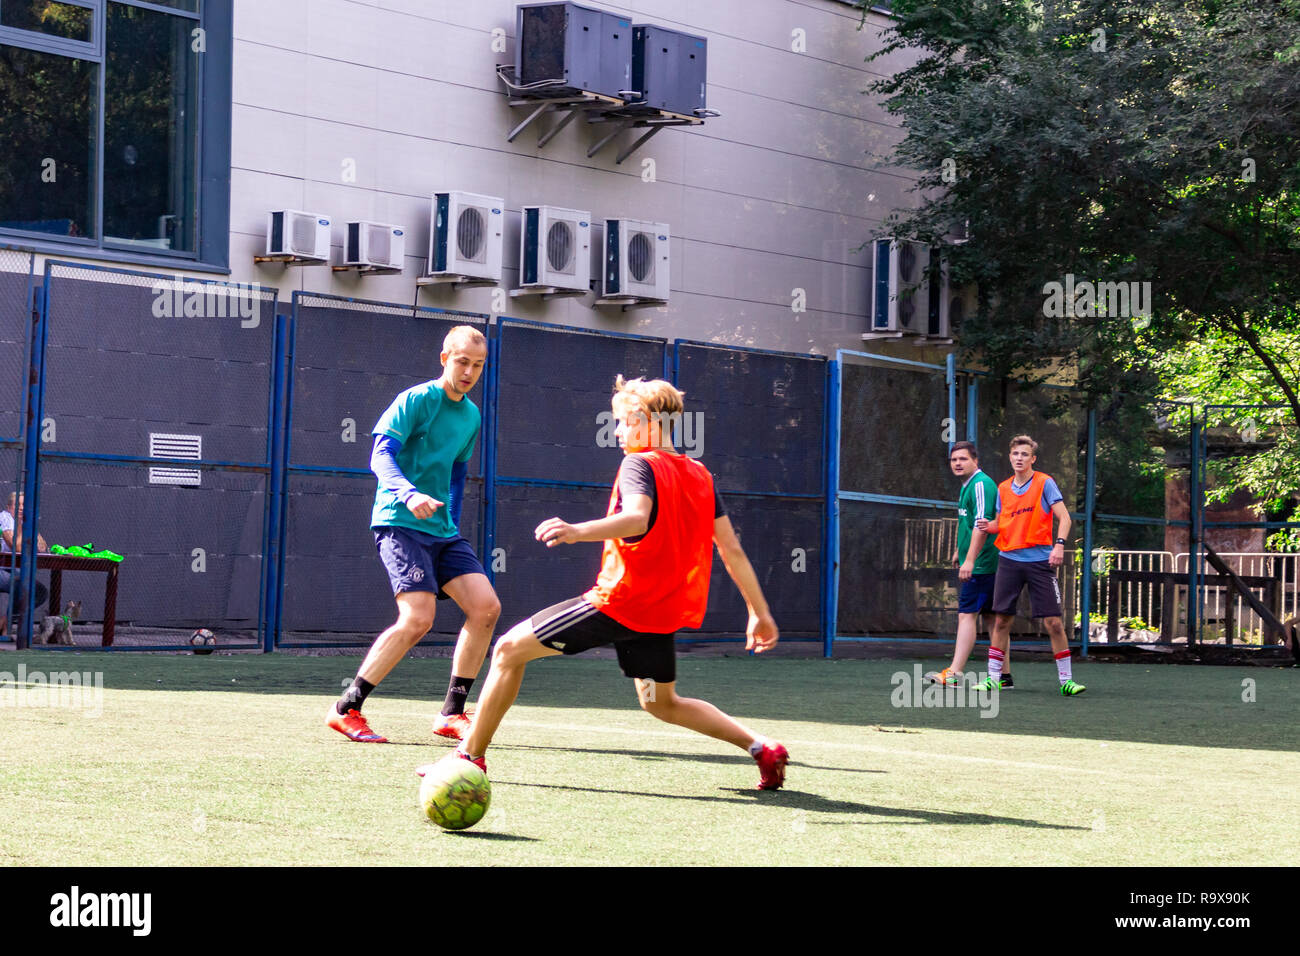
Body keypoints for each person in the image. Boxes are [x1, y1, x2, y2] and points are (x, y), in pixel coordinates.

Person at [421, 376, 790, 790]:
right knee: (661, 703)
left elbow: (636, 518)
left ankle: (469, 757)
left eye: (620, 422)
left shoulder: (640, 463)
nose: (616, 432)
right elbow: (732, 549)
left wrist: (577, 530)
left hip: (619, 603)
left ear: (644, 420)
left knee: (507, 650)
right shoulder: (701, 474)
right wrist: (760, 612)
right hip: (657, 613)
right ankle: (761, 748)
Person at [327, 326, 502, 743]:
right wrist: (407, 494)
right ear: (445, 359)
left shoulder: (471, 416)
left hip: (442, 531)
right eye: (462, 362)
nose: (469, 372)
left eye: (478, 366)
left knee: (486, 608)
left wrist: (452, 521)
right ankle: (346, 708)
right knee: (418, 618)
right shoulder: (416, 399)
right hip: (399, 522)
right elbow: (380, 454)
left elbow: (458, 474)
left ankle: (452, 712)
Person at [974, 435, 1086, 696]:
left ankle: (1066, 681)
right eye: (1016, 454)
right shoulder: (1003, 488)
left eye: (1025, 454)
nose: (1020, 458)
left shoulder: (1045, 483)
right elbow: (1003, 522)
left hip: (1040, 562)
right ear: (1010, 457)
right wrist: (988, 526)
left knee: (1053, 623)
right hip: (1009, 561)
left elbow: (1065, 518)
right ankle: (994, 678)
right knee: (1001, 621)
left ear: (1033, 459)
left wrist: (1059, 544)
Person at [928, 442, 1010, 687]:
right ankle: (1004, 676)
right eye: (954, 460)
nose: (957, 463)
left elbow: (982, 524)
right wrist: (959, 551)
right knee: (993, 620)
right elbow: (968, 523)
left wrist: (971, 560)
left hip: (983, 563)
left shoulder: (981, 484)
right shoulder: (968, 486)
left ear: (975, 460)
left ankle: (954, 674)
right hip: (982, 562)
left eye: (963, 459)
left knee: (966, 616)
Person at [0, 493, 49, 636]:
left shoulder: (25, 521)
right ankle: (6, 627)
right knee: (22, 584)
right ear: (9, 507)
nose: (21, 508)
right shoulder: (4, 518)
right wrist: (22, 526)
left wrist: (30, 526)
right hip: (2, 569)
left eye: (24, 505)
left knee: (40, 591)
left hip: (15, 571)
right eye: (18, 505)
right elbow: (17, 547)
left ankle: (5, 621)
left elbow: (42, 547)